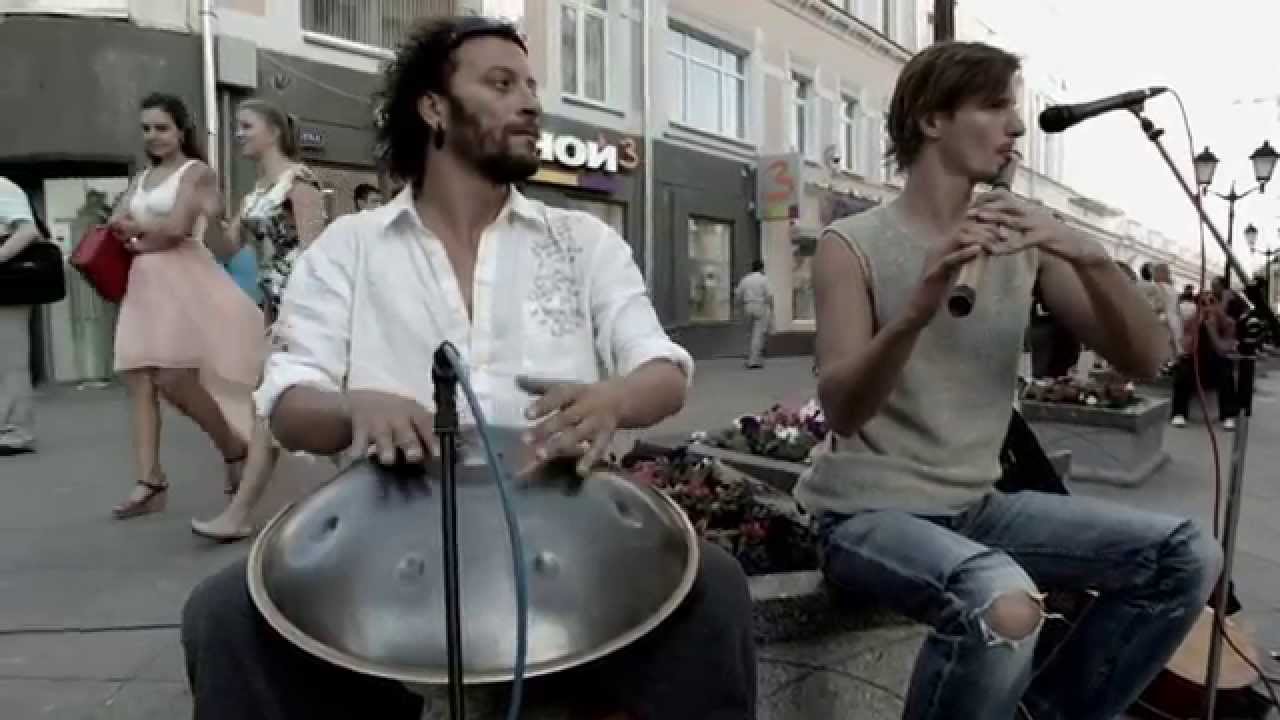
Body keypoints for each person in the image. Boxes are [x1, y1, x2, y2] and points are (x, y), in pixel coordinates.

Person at [180, 17, 756, 720]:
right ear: (434, 108)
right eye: (501, 83)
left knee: (713, 594)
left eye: (531, 87)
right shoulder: (350, 249)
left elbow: (663, 368)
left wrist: (614, 398)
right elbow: (289, 398)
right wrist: (354, 407)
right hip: (390, 523)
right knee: (223, 615)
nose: (530, 103)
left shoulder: (582, 241)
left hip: (560, 513)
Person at [800, 41, 1220, 720]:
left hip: (979, 506)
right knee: (1003, 603)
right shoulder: (850, 245)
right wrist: (914, 312)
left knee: (1188, 556)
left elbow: (1146, 360)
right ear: (932, 119)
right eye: (996, 107)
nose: (1018, 129)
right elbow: (844, 410)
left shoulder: (1021, 238)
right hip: (867, 513)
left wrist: (1088, 253)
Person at [107, 93, 266, 519]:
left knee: (174, 378)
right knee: (139, 379)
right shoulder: (142, 178)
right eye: (146, 129)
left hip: (184, 280)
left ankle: (234, 449)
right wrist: (140, 231)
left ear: (181, 130)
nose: (153, 136)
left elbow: (176, 229)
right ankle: (149, 480)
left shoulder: (197, 173)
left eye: (162, 127)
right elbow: (115, 222)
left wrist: (137, 230)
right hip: (144, 283)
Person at [190, 98, 327, 541]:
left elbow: (317, 252)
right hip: (277, 310)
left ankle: (240, 513)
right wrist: (209, 216)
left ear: (273, 130)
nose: (240, 133)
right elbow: (227, 252)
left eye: (247, 125)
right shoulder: (255, 195)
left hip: (305, 311)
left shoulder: (299, 182)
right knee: (277, 406)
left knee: (274, 406)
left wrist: (297, 315)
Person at [0, 177, 43, 456]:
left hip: (6, 283)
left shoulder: (2, 186)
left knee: (9, 359)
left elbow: (28, 231)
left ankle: (15, 432)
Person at [1170, 291, 1238, 429]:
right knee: (1182, 369)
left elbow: (1223, 349)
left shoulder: (1228, 323)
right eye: (1203, 303)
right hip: (1196, 367)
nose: (1207, 307)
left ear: (1218, 305)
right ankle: (1179, 413)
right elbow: (1186, 348)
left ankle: (1228, 416)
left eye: (1211, 302)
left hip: (1216, 367)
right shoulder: (1191, 322)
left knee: (1226, 370)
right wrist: (1196, 328)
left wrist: (1211, 330)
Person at [734, 259, 773, 369]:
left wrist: (738, 308)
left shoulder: (745, 279)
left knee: (750, 334)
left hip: (748, 306)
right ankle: (754, 361)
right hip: (759, 306)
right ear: (761, 268)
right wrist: (771, 309)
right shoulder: (764, 279)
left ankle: (749, 356)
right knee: (758, 335)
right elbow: (769, 296)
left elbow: (738, 295)